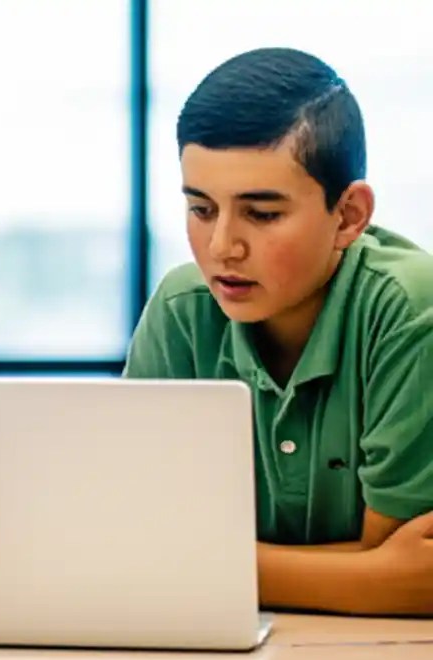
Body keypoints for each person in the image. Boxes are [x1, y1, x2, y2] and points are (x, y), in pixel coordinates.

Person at [125, 47, 433, 616]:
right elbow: (137, 543)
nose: (223, 247)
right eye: (201, 209)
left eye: (262, 214)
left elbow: (416, 579)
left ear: (349, 216)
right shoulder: (181, 311)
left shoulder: (413, 309)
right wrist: (367, 576)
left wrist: (199, 568)